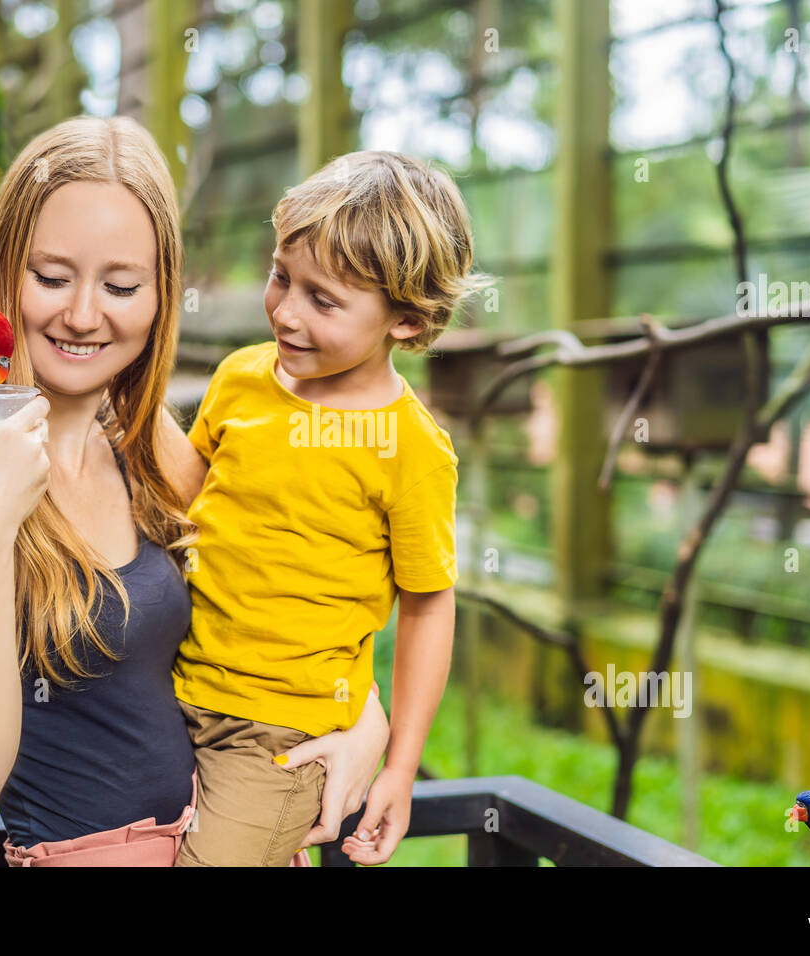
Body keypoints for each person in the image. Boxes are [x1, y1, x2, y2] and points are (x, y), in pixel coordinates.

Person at [0, 116, 390, 866]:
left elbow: (283, 594)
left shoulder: (153, 447)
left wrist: (367, 718)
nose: (82, 315)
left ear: (160, 296)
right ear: (1, 273)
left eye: (120, 285)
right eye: (50, 278)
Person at [166, 150, 493, 866]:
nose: (285, 310)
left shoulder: (412, 450)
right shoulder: (242, 378)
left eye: (323, 299)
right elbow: (185, 499)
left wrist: (400, 767)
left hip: (284, 736)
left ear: (406, 321)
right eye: (282, 276)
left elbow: (430, 605)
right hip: (169, 687)